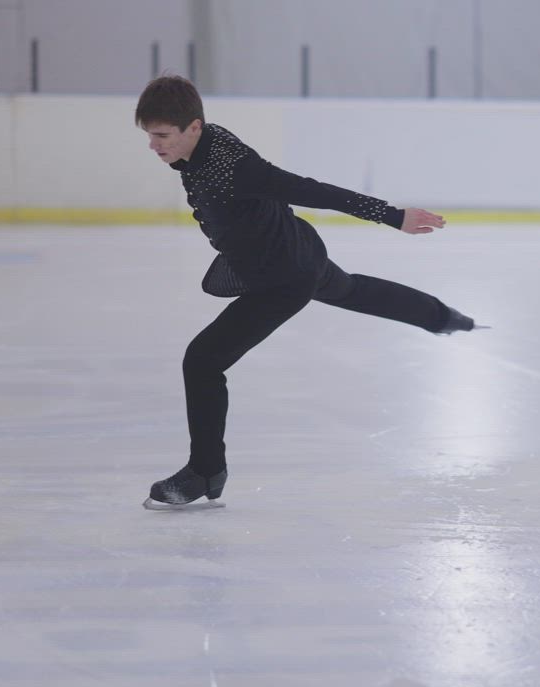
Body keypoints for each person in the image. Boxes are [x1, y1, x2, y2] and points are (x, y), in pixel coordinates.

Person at [134, 75, 481, 510]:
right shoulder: (200, 148)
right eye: (149, 136)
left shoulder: (232, 163)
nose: (154, 146)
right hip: (293, 254)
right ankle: (443, 317)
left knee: (202, 360)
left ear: (195, 127)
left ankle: (206, 472)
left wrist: (393, 216)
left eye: (162, 136)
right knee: (351, 289)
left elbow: (310, 190)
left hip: (283, 277)